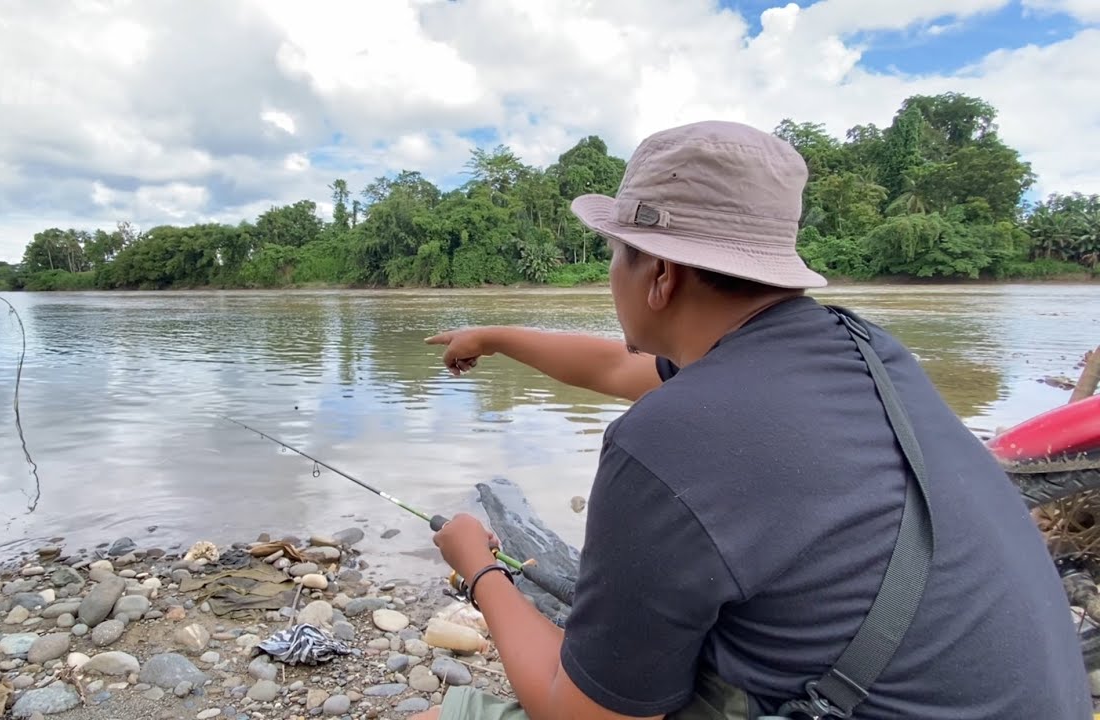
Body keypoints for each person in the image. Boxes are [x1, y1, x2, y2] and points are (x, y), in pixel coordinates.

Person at [415, 120, 1091, 720]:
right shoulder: (867, 350)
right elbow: (618, 370)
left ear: (659, 275)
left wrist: (480, 568)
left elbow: (584, 716)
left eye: (616, 250)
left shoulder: (665, 442)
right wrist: (495, 336)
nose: (610, 270)